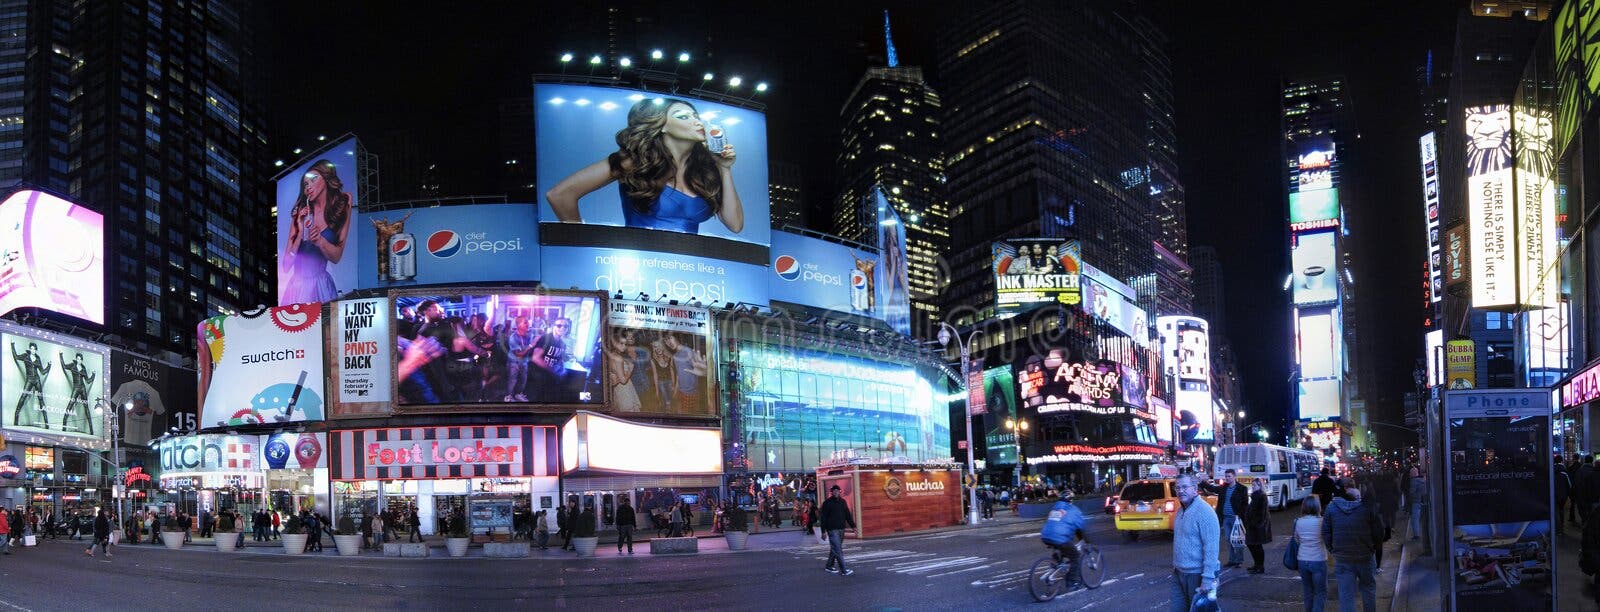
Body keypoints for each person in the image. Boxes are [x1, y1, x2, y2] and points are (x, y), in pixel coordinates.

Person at [546, 97, 744, 235]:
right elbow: (560, 195)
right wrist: (581, 244)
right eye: (683, 117)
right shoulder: (634, 162)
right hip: (640, 266)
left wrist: (724, 169)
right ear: (662, 125)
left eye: (696, 116)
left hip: (690, 270)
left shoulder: (704, 171)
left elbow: (735, 225)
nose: (696, 122)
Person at [281, 159, 353, 303]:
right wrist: (300, 233)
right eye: (305, 184)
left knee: (327, 324)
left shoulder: (343, 203)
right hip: (297, 288)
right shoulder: (301, 213)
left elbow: (336, 257)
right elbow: (286, 266)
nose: (308, 187)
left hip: (322, 287)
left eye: (313, 179)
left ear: (326, 178)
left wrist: (320, 241)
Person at [1323, 479, 1383, 612]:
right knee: (1368, 589)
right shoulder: (1367, 508)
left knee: (1346, 595)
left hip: (1343, 558)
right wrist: (1373, 548)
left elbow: (1326, 532)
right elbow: (1379, 532)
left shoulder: (1331, 508)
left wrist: (1332, 549)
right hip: (1366, 556)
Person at [1170, 474, 1220, 612]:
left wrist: (1208, 578)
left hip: (1197, 575)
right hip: (1178, 573)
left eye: (1185, 487)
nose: (1181, 491)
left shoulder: (1205, 512)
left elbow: (1211, 548)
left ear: (1194, 488)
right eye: (1178, 487)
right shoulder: (1180, 511)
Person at [1038, 493, 1087, 591]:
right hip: (1060, 538)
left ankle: (1055, 564)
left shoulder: (1055, 508)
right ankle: (1072, 582)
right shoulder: (1073, 510)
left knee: (1060, 550)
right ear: (1070, 501)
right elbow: (1080, 527)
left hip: (1045, 536)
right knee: (1075, 556)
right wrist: (1085, 539)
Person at [1201, 469, 1248, 568]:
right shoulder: (1224, 488)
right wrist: (1203, 482)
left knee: (1237, 540)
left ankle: (1239, 560)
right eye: (1226, 476)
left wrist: (1241, 517)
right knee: (1228, 539)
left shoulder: (1242, 489)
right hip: (1226, 518)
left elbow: (1245, 505)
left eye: (1229, 476)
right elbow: (1212, 488)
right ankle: (1232, 559)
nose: (1227, 478)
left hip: (1236, 519)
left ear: (1234, 477)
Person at [1295, 497, 1329, 612]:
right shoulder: (1322, 521)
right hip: (1318, 559)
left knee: (1308, 591)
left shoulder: (1298, 521)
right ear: (1317, 506)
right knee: (1320, 592)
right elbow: (1326, 538)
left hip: (1302, 560)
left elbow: (1297, 540)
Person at [529, 318, 571, 402]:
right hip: (538, 375)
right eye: (559, 325)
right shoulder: (545, 338)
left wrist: (562, 368)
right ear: (553, 327)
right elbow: (535, 358)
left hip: (549, 376)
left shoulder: (563, 344)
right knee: (536, 400)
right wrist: (552, 370)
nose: (562, 328)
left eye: (565, 326)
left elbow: (560, 359)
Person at [819, 485, 857, 576]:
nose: (836, 492)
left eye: (837, 490)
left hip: (841, 529)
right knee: (838, 549)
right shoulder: (827, 503)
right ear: (831, 492)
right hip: (832, 530)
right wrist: (823, 531)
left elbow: (847, 515)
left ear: (840, 492)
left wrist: (853, 526)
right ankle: (844, 570)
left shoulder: (843, 502)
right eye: (834, 491)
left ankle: (829, 566)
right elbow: (823, 518)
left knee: (835, 548)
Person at [607, 330, 643, 412]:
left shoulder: (610, 355)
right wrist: (630, 369)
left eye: (625, 344)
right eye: (621, 343)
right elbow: (623, 380)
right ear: (614, 343)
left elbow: (614, 378)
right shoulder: (618, 358)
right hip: (624, 390)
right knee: (631, 415)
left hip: (618, 390)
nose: (624, 346)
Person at [1245, 478, 1273, 573]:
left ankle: (1260, 566)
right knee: (1252, 545)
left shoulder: (1261, 496)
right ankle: (1257, 565)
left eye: (1254, 486)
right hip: (1252, 526)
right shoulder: (1255, 496)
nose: (1252, 487)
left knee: (1256, 546)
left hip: (1257, 527)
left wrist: (1256, 524)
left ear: (1259, 486)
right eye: (1252, 485)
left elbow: (1262, 513)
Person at [505, 315, 535, 402]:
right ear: (519, 325)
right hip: (514, 362)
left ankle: (518, 394)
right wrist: (531, 345)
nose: (528, 324)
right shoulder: (513, 337)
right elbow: (519, 354)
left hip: (524, 361)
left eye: (528, 322)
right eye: (525, 322)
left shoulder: (529, 334)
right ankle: (508, 396)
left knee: (523, 380)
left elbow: (539, 333)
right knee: (512, 380)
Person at [1406, 466, 1426, 540]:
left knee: (1415, 520)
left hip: (1415, 501)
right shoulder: (1423, 480)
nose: (1409, 474)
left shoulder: (1413, 481)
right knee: (1419, 519)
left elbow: (1412, 492)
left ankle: (1416, 535)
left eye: (1410, 473)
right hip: (1422, 501)